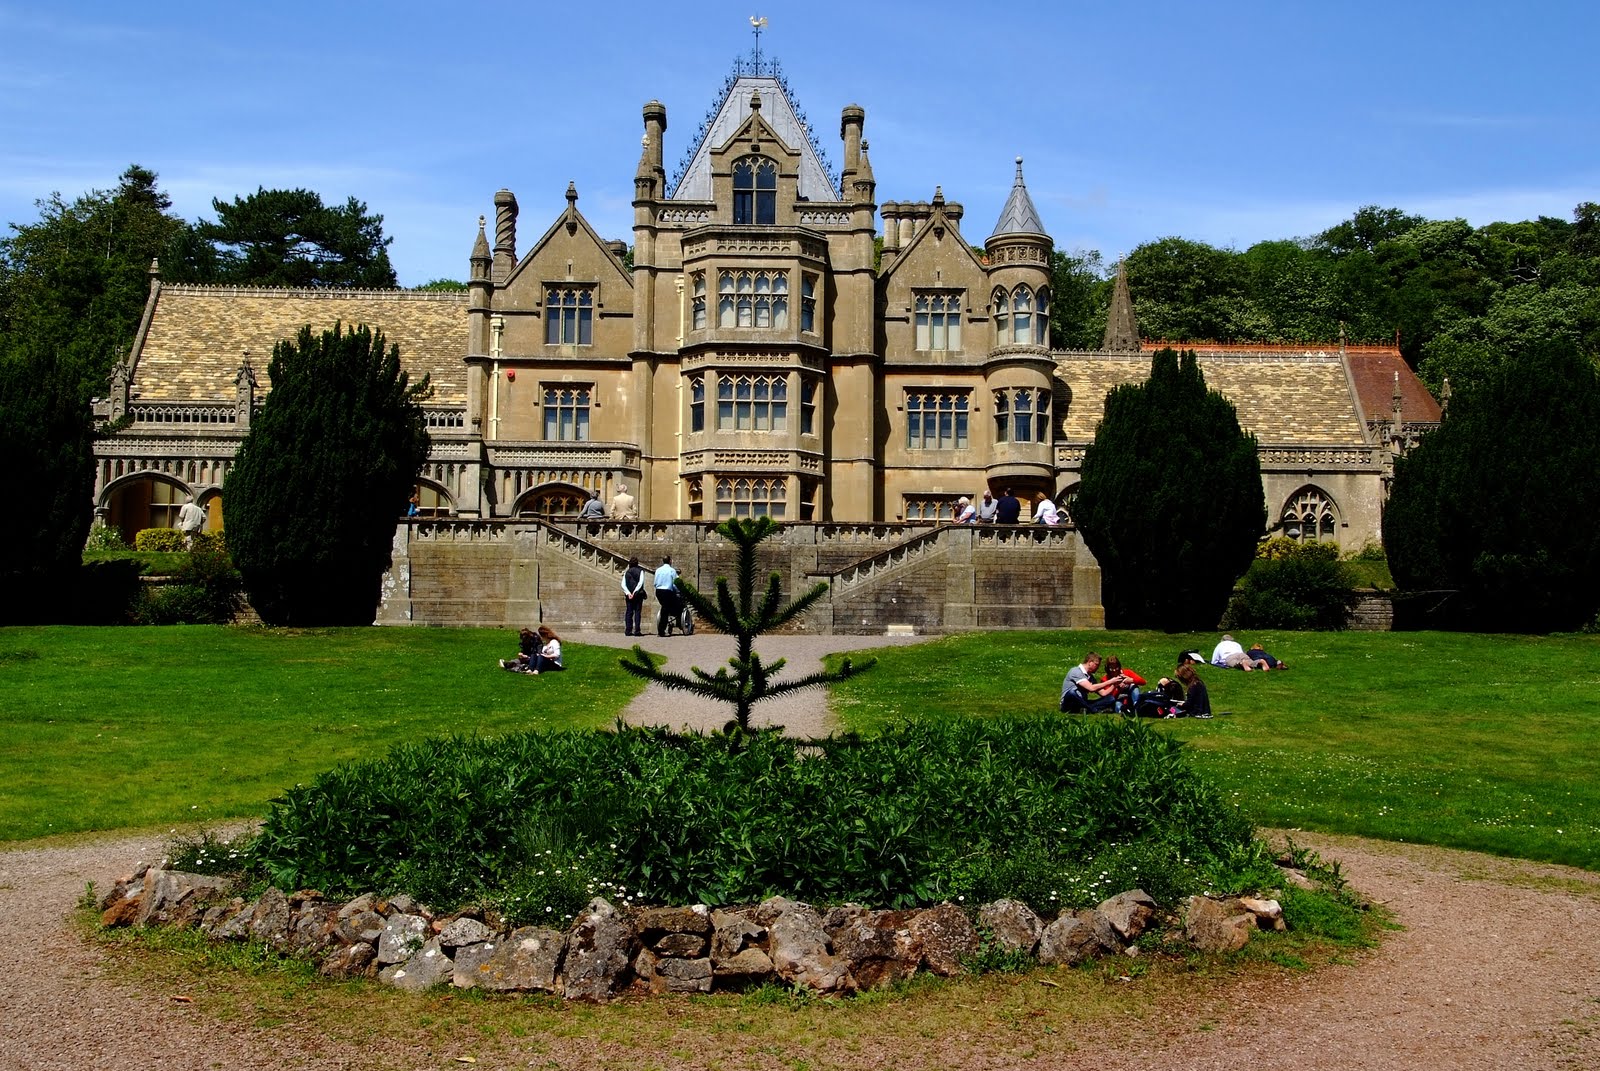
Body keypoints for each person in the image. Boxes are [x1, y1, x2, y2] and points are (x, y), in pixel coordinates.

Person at [654, 554, 682, 637]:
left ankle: (663, 628)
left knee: (665, 607)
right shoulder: (672, 570)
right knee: (665, 609)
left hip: (659, 591)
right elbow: (676, 583)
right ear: (670, 561)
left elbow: (655, 583)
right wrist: (678, 591)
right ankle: (661, 630)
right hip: (667, 591)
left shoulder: (658, 570)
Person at [621, 556, 647, 636]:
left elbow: (623, 584)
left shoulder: (626, 572)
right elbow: (640, 583)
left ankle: (628, 630)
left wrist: (628, 593)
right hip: (638, 595)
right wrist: (635, 592)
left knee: (629, 612)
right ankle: (637, 631)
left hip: (629, 596)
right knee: (637, 612)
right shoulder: (640, 571)